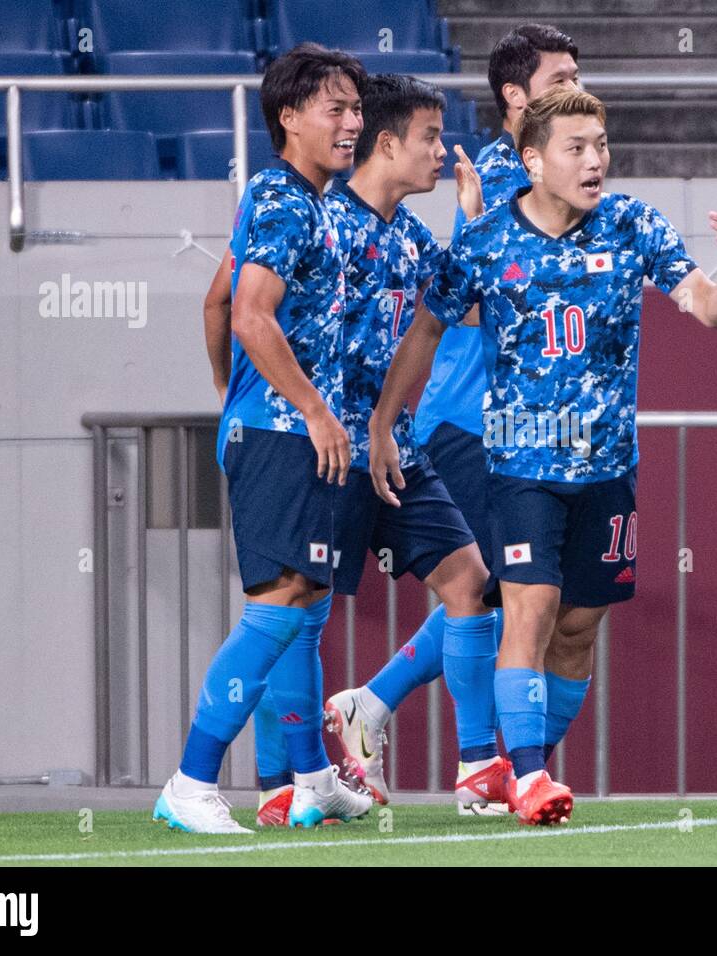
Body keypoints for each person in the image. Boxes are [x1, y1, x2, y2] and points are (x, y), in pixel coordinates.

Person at [368, 88, 717, 825]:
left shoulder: (634, 224)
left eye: (600, 145)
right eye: (575, 148)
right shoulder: (486, 240)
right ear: (533, 161)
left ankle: (530, 768)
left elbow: (710, 310)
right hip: (520, 468)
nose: (593, 161)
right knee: (531, 607)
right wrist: (385, 421)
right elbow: (425, 329)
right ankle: (526, 775)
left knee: (578, 631)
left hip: (609, 471)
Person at [324, 24, 584, 813]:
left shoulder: (567, 169)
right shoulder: (500, 176)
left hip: (532, 429)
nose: (576, 87)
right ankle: (462, 758)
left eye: (578, 75)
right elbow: (469, 303)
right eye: (561, 78)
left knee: (510, 593)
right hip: (470, 421)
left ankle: (387, 712)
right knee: (498, 587)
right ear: (515, 96)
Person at [247, 73, 510, 824]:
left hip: (390, 446)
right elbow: (234, 303)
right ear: (387, 144)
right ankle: (280, 784)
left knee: (470, 582)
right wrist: (247, 411)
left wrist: (474, 227)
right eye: (431, 136)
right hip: (319, 449)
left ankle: (477, 770)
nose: (442, 151)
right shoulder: (321, 220)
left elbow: (462, 311)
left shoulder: (411, 234)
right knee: (293, 611)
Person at [155, 44, 371, 834]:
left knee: (305, 604)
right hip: (287, 434)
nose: (353, 123)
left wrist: (232, 399)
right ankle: (191, 781)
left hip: (276, 428)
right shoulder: (285, 198)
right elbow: (249, 312)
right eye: (336, 108)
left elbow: (215, 302)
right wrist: (308, 408)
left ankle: (311, 779)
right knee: (279, 605)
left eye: (357, 108)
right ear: (289, 117)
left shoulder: (296, 199)